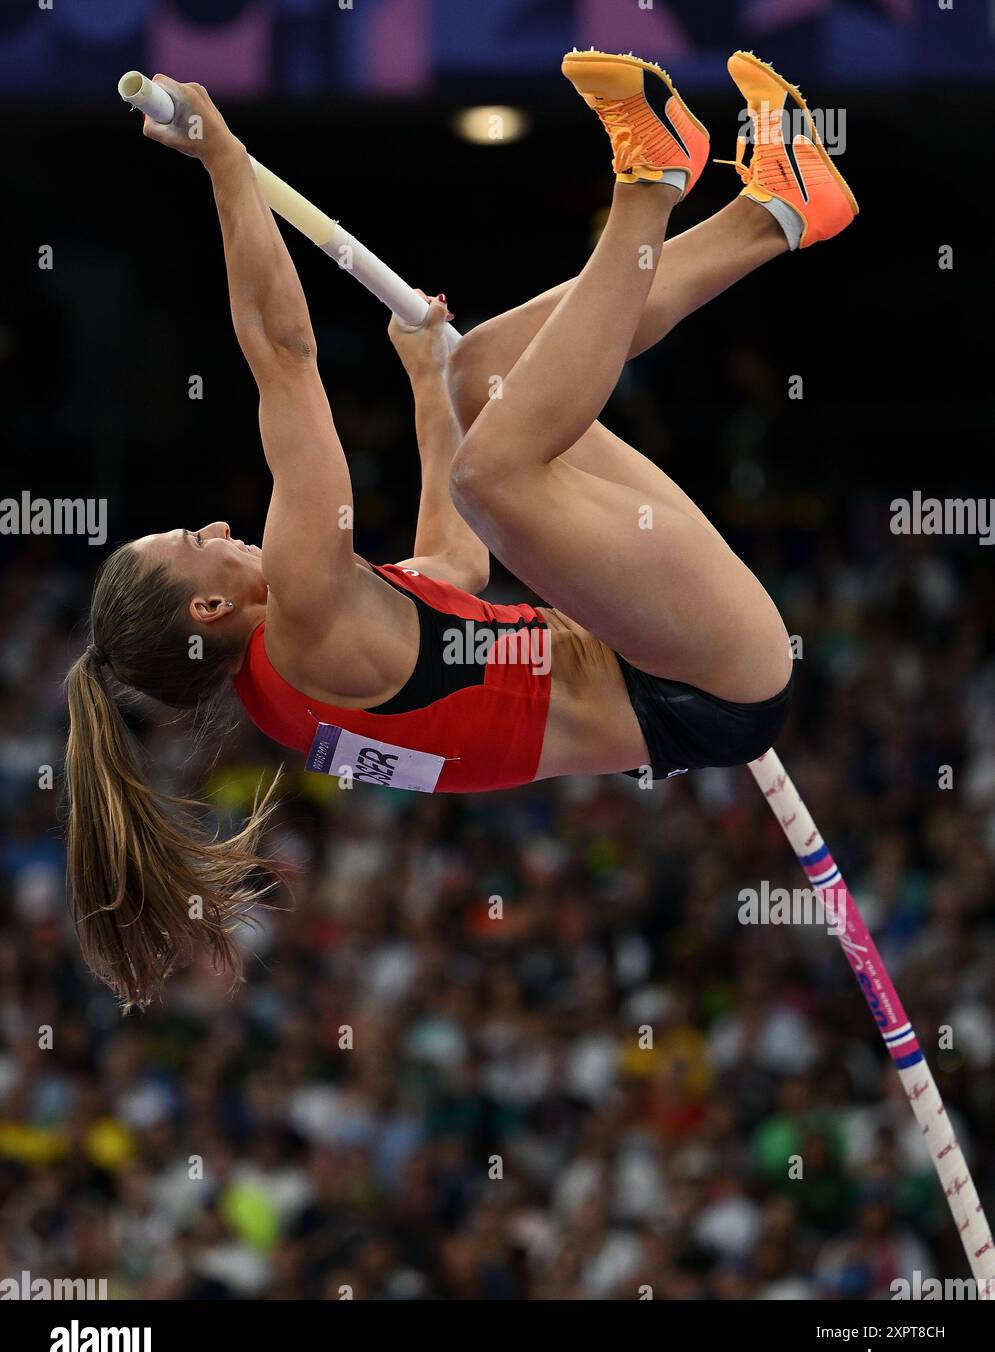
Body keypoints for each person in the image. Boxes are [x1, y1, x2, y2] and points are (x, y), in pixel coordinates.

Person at [65, 50, 856, 1006]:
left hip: (657, 654)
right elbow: (282, 352)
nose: (222, 523)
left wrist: (424, 388)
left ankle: (776, 209)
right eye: (199, 539)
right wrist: (226, 161)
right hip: (699, 683)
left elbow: (451, 567)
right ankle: (650, 181)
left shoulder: (298, 671)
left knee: (479, 375)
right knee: (496, 471)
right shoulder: (304, 615)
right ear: (208, 602)